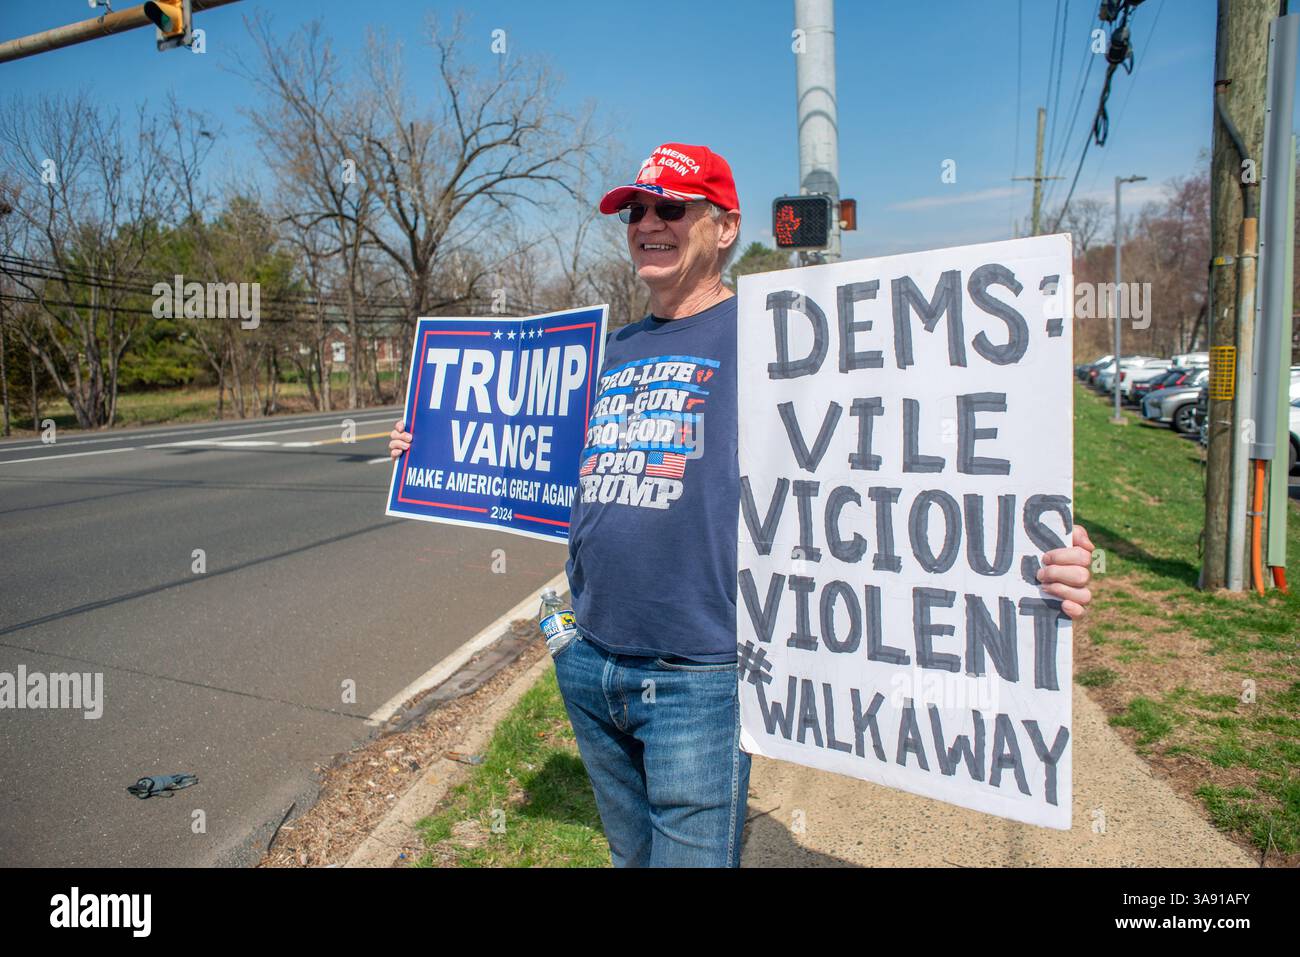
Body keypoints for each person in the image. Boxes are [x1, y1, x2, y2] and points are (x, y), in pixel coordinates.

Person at [388, 141, 1096, 868]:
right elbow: (532, 451)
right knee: (632, 860)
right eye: (636, 209)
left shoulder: (776, 335)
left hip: (701, 674)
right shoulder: (612, 348)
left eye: (671, 207)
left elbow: (906, 446)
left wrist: (1023, 538)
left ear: (724, 227)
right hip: (589, 655)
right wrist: (435, 439)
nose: (647, 223)